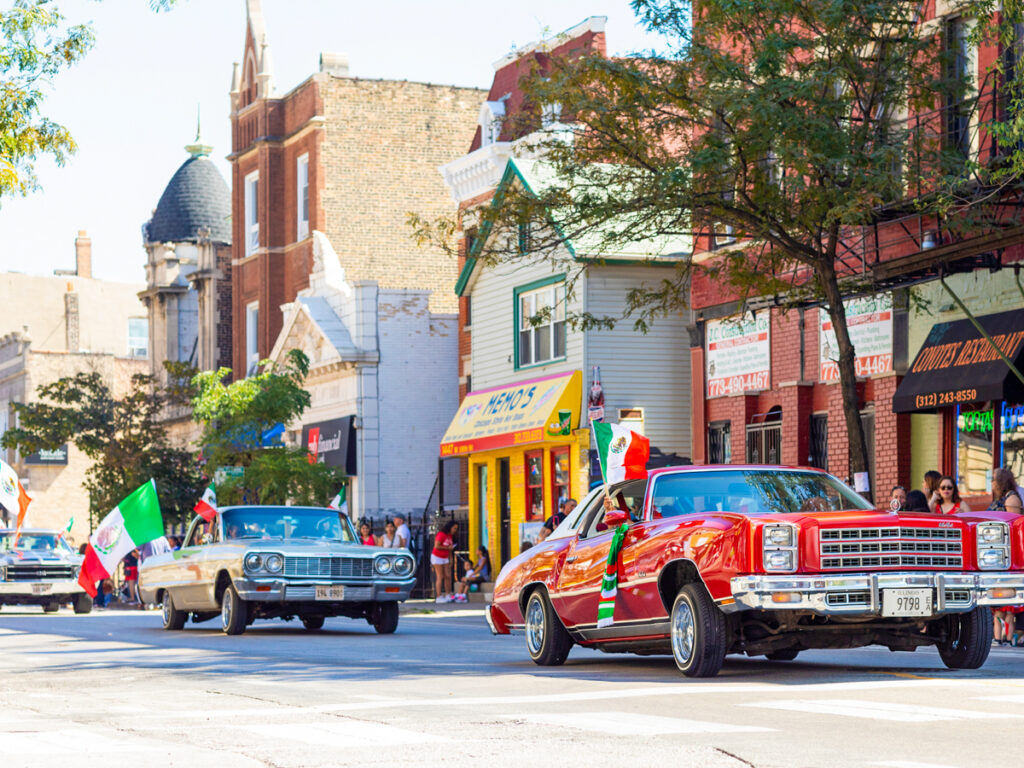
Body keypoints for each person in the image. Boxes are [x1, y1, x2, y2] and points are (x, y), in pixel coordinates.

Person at [990, 468, 1023, 645]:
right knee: (999, 606)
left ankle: (1007, 638)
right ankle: (999, 636)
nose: (992, 483)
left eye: (994, 480)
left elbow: (1013, 527)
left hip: (1007, 554)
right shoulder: (1001, 499)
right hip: (995, 552)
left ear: (1001, 481)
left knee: (1007, 604)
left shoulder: (1011, 499)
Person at [431, 520, 458, 603]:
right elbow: (437, 546)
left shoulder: (450, 536)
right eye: (454, 528)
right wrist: (447, 548)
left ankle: (448, 594)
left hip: (445, 557)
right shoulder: (441, 534)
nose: (455, 530)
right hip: (437, 557)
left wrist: (451, 559)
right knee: (440, 576)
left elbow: (450, 549)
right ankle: (438, 596)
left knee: (448, 576)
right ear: (450, 527)